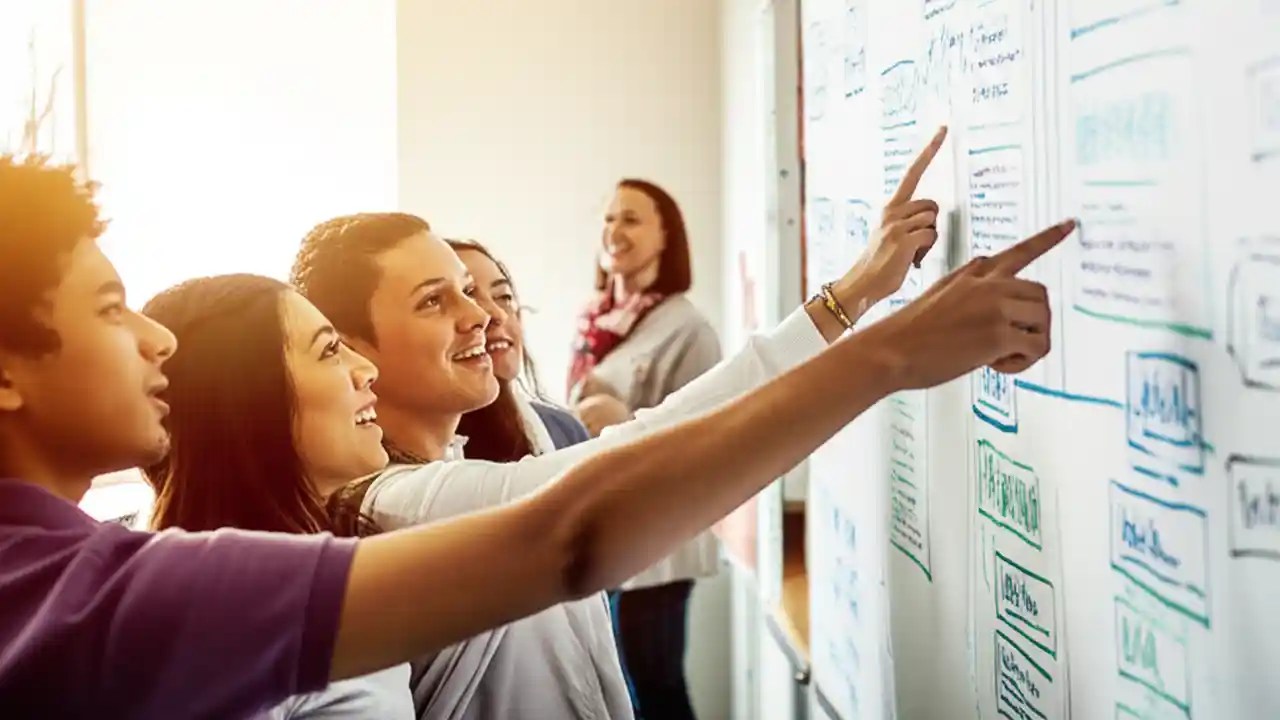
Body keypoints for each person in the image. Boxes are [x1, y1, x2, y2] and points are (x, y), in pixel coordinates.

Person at [0, 131, 1072, 717]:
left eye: (483, 290)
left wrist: (848, 308)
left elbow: (635, 450)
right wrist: (881, 351)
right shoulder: (358, 515)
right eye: (106, 309)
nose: (484, 318)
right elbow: (574, 522)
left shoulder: (130, 568)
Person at [139, 274, 415, 719]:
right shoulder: (225, 622)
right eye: (329, 350)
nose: (367, 369)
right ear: (248, 397)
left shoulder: (331, 560)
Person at [565, 178, 722, 717]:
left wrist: (621, 421)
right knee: (619, 698)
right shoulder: (595, 321)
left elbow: (710, 445)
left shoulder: (689, 329)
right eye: (609, 219)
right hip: (604, 535)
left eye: (631, 219)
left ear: (665, 237)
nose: (614, 230)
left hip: (658, 545)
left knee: (654, 693)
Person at [450, 237, 590, 461]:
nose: (497, 314)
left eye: (504, 296)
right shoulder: (422, 457)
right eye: (468, 296)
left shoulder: (565, 432)